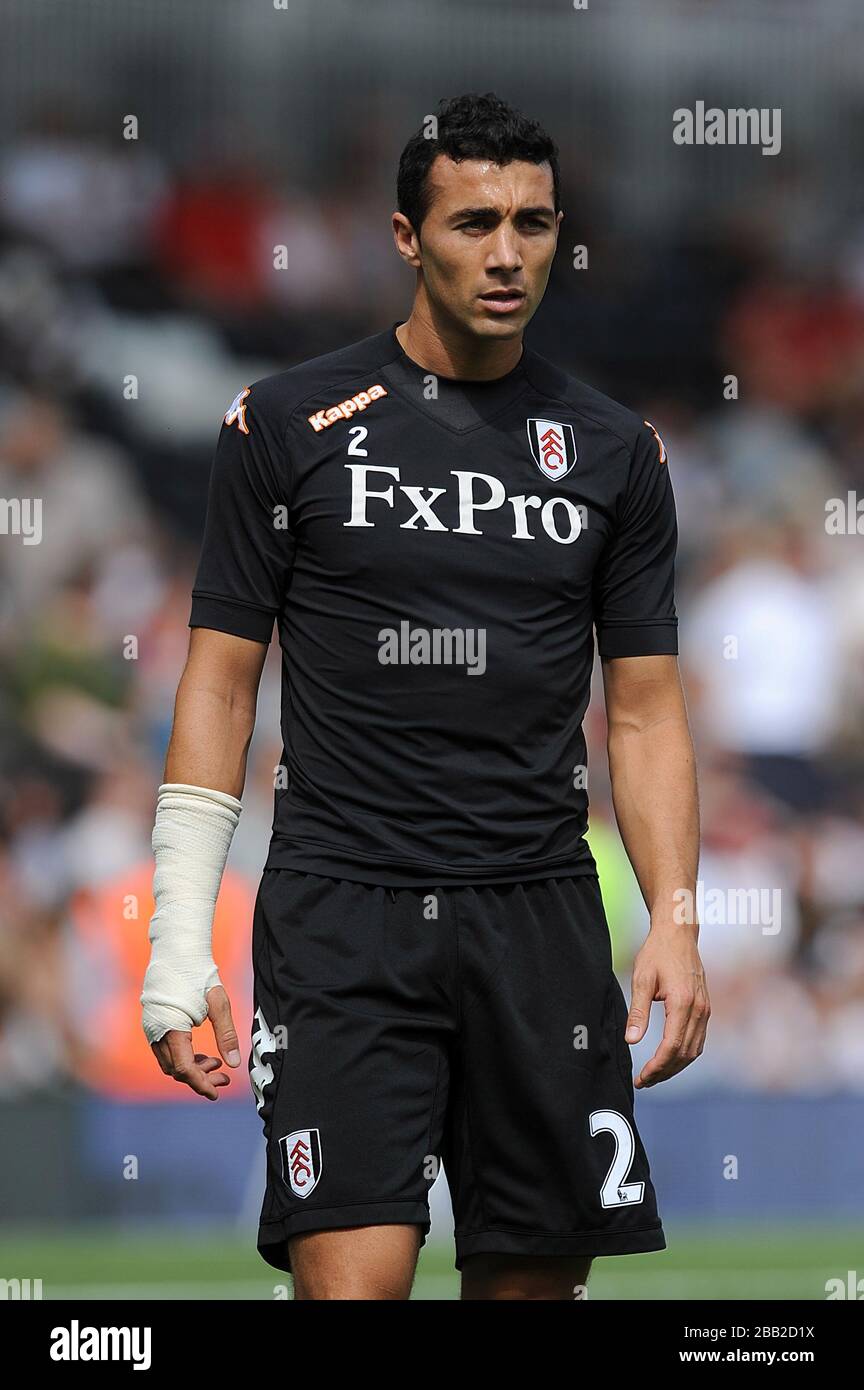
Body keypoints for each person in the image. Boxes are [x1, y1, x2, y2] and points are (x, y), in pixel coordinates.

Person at [141, 92, 708, 1301]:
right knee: (354, 1292)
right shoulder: (285, 425)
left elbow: (650, 710)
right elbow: (222, 680)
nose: (507, 254)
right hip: (344, 914)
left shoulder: (616, 451)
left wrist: (675, 915)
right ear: (407, 237)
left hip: (542, 925)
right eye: (472, 223)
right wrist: (178, 933)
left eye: (534, 223)